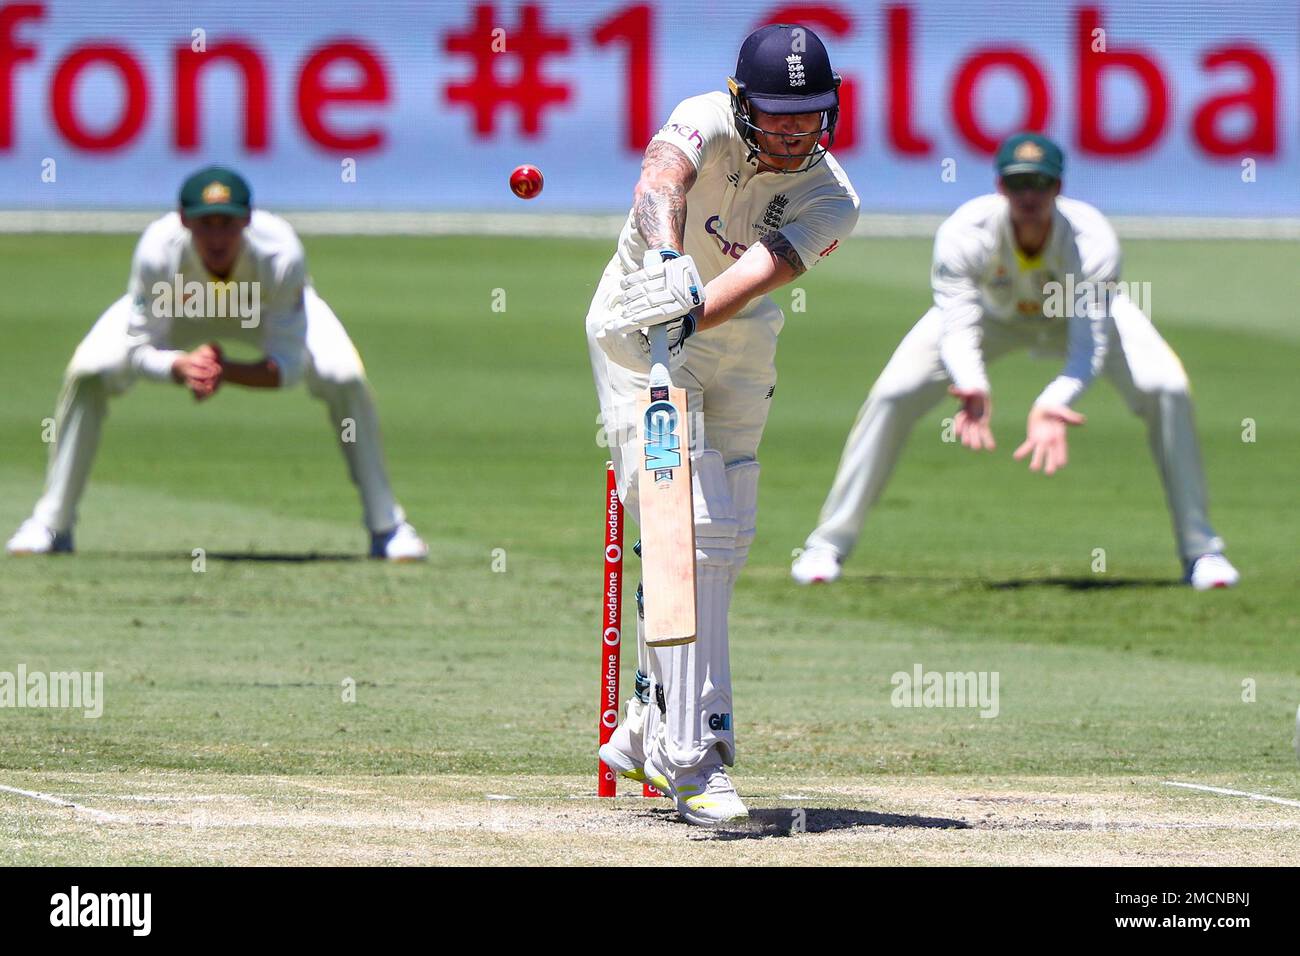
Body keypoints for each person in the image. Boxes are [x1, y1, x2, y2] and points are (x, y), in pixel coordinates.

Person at [587, 24, 860, 825]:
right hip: (638, 334)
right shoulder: (702, 117)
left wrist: (697, 304)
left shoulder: (832, 197)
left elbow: (758, 271)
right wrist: (669, 263)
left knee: (726, 531)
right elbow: (659, 177)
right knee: (684, 528)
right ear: (743, 103)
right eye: (776, 115)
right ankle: (692, 755)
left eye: (808, 116)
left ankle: (646, 714)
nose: (792, 131)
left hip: (734, 339)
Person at [791, 133, 1238, 591]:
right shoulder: (965, 232)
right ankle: (828, 543)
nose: (1029, 196)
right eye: (1018, 183)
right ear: (1000, 187)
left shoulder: (1092, 241)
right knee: (893, 394)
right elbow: (959, 326)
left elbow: (1088, 347)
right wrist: (973, 383)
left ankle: (1202, 551)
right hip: (991, 314)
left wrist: (1053, 399)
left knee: (1168, 389)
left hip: (1076, 319)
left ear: (1058, 187)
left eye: (1040, 184)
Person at [6, 166, 428, 561]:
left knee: (344, 375)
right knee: (90, 371)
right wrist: (179, 367)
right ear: (184, 221)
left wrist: (227, 371)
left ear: (247, 220)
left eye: (227, 222)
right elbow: (137, 350)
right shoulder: (158, 250)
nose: (217, 236)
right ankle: (53, 523)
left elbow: (291, 366)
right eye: (206, 223)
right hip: (180, 309)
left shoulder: (280, 254)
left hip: (259, 309)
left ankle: (386, 526)